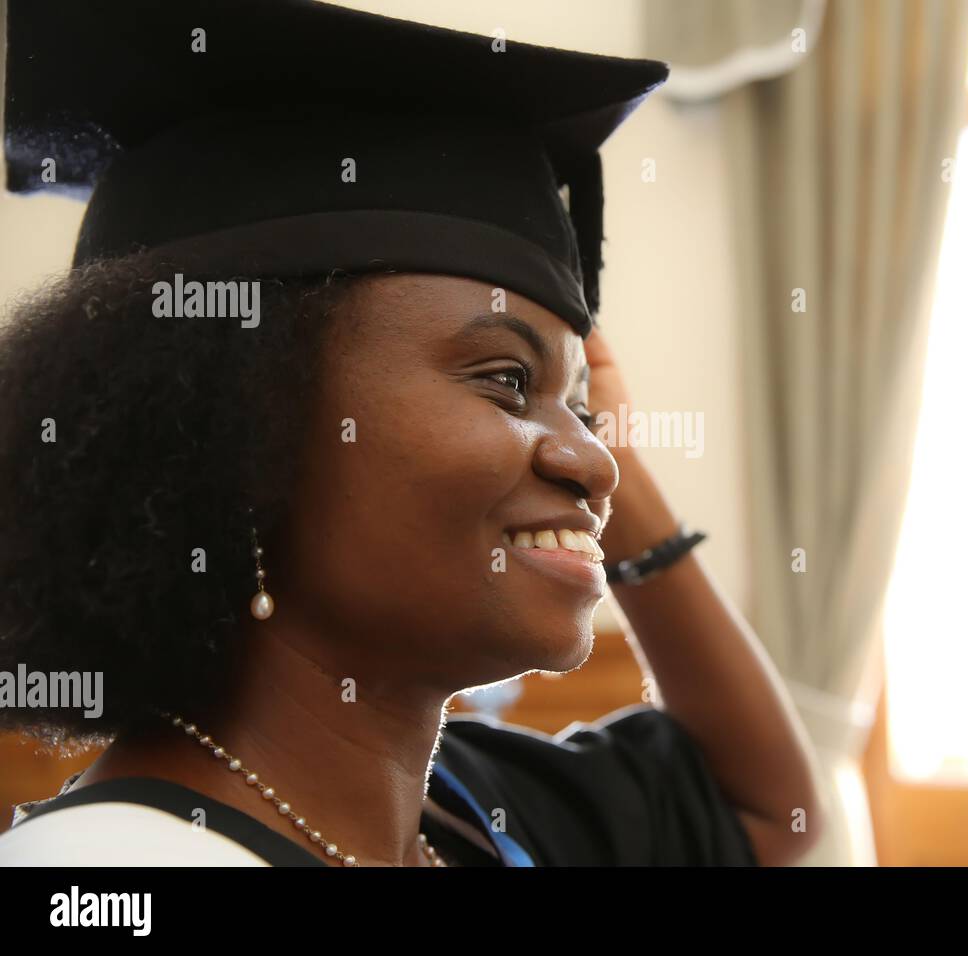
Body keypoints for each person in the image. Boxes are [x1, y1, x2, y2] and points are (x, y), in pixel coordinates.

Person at [0, 0, 824, 866]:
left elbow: (763, 817)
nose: (597, 460)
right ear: (237, 432)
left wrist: (611, 468)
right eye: (507, 380)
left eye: (577, 405)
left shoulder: (467, 820)